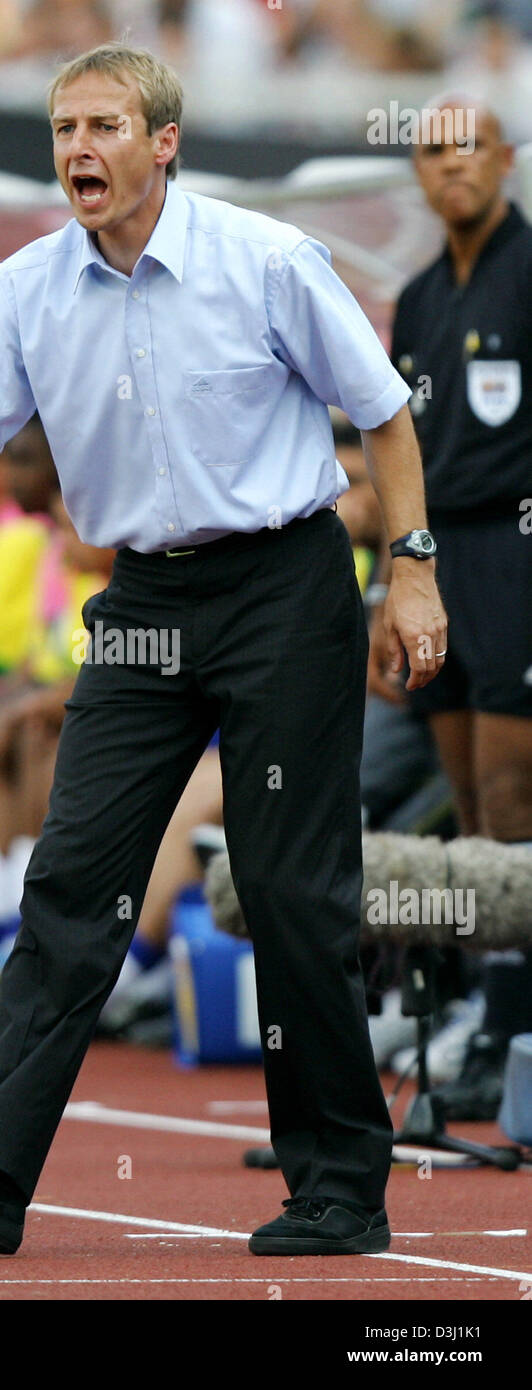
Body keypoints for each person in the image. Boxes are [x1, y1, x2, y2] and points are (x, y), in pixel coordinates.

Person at [0, 42, 446, 1258]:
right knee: (72, 875)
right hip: (141, 598)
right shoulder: (29, 287)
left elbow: (385, 411)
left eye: (101, 125)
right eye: (62, 129)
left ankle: (338, 1188)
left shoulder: (263, 259)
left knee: (294, 891)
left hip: (283, 587)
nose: (77, 149)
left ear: (163, 142)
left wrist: (408, 569)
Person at [370, 96, 532, 1119]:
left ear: (504, 159)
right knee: (469, 804)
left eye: (466, 146)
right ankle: (489, 1020)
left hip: (518, 553)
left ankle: (515, 1032)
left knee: (514, 799)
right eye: (429, 151)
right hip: (440, 563)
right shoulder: (418, 298)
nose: (449, 166)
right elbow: (399, 453)